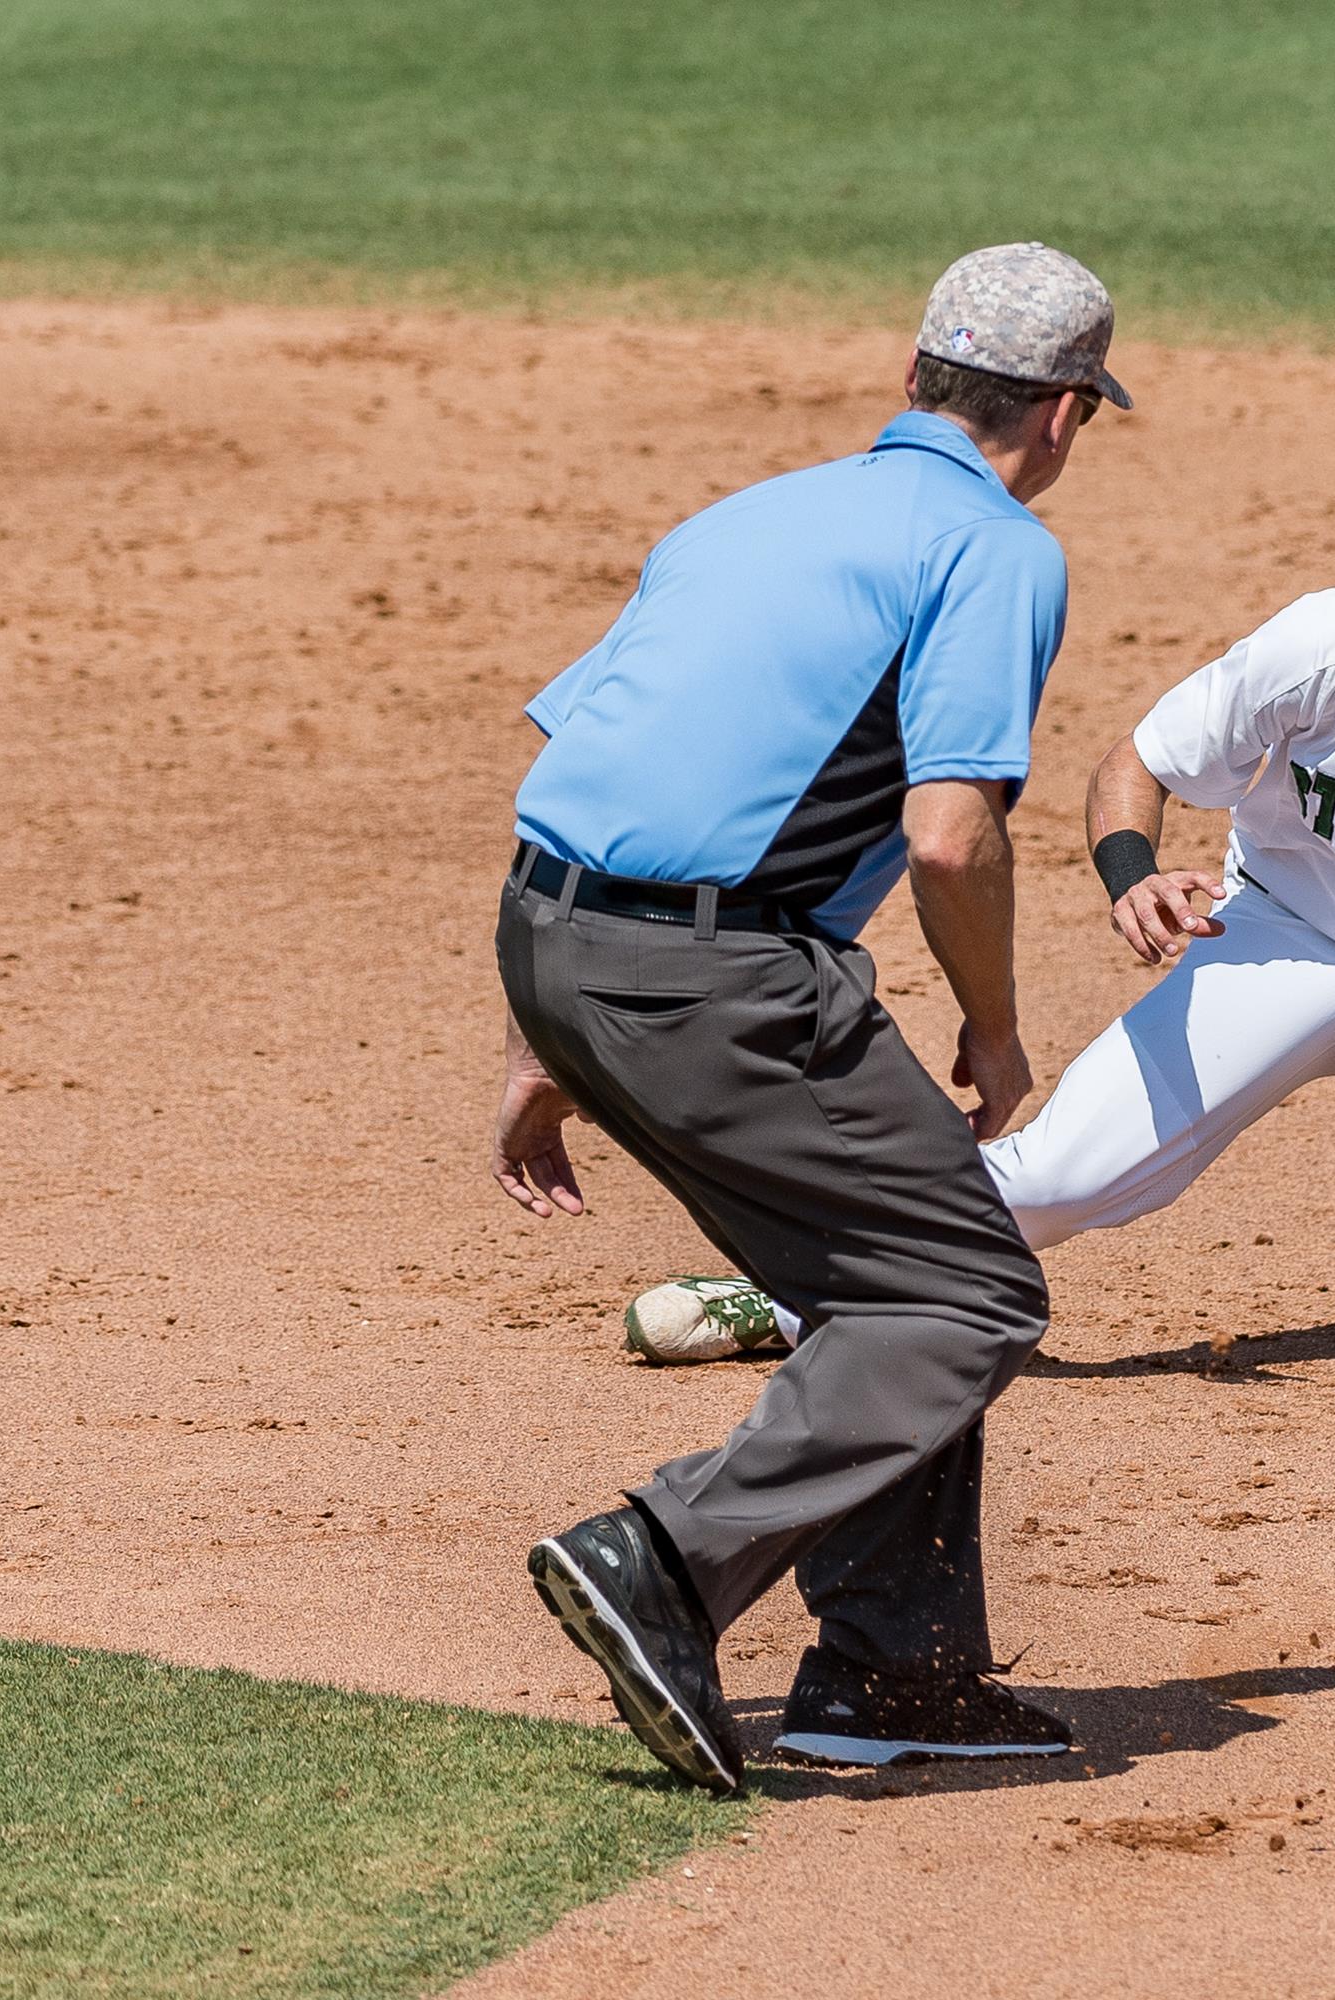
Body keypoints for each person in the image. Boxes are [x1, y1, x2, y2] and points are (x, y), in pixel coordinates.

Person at [625, 418, 1335, 1379]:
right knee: (1068, 1173)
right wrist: (1132, 875)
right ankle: (802, 1283)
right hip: (1279, 939)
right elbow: (1137, 763)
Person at [489, 243, 1129, 1788]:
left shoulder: (744, 516)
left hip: (551, 939)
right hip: (715, 979)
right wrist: (996, 1030)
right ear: (1063, 414)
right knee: (967, 1294)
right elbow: (950, 838)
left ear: (914, 378)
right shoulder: (995, 550)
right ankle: (665, 1556)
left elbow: (590, 766)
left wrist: (543, 1051)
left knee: (895, 1267)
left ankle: (897, 1672)